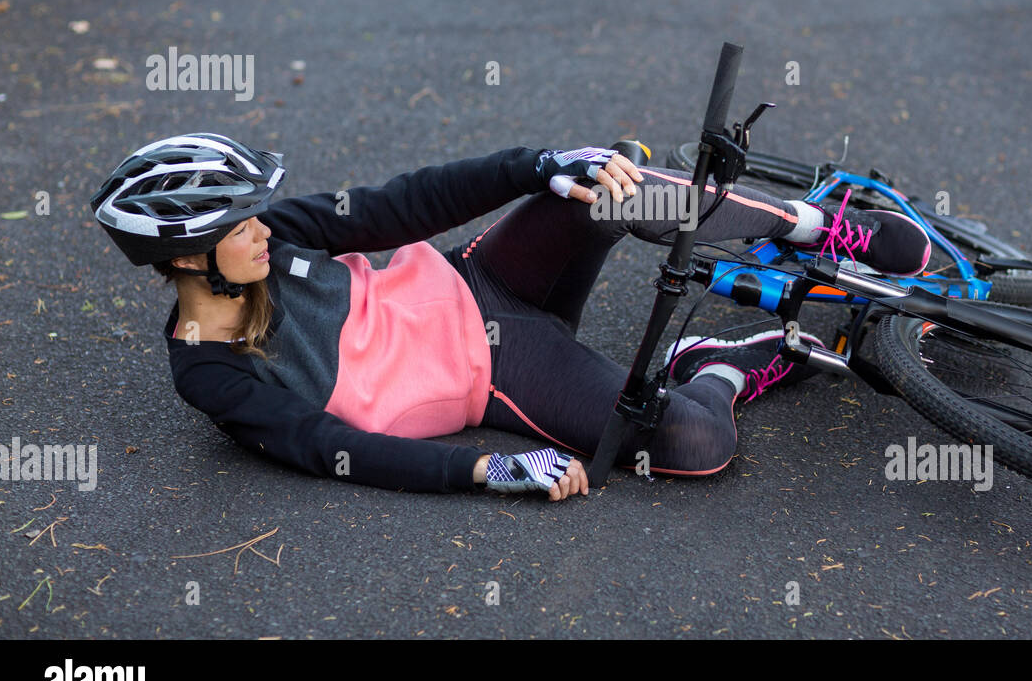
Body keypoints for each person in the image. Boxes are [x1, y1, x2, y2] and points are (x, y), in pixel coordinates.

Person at [90, 133, 931, 502]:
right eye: (238, 226)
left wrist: (539, 166)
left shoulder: (279, 238)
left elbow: (403, 205)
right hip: (500, 369)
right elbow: (327, 449)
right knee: (697, 447)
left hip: (480, 279)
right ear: (186, 259)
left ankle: (822, 229)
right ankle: (721, 363)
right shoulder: (208, 370)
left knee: (612, 176)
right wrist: (486, 473)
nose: (261, 230)